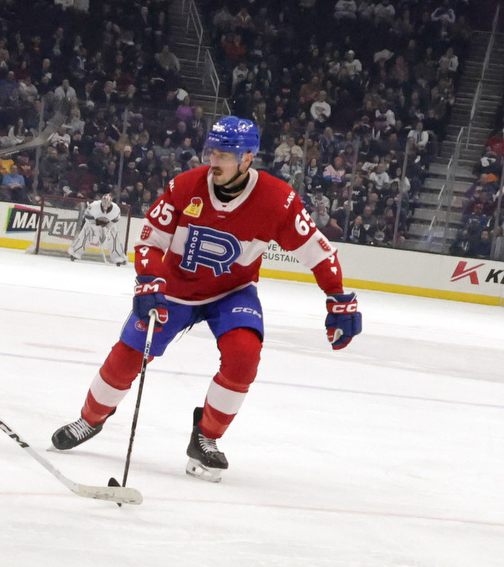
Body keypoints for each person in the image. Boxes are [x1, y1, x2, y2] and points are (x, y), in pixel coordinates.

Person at [50, 115, 361, 482]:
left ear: (247, 159)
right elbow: (150, 240)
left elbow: (317, 251)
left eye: (224, 155)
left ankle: (206, 437)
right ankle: (91, 418)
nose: (214, 161)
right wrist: (149, 280)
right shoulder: (186, 186)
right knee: (127, 356)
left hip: (232, 292)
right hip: (174, 290)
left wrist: (338, 297)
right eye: (212, 152)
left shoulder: (277, 200)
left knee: (244, 355)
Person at [71, 191, 129, 264]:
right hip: (92, 223)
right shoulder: (93, 205)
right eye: (104, 203)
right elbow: (87, 218)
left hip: (108, 223)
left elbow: (114, 221)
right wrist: (95, 227)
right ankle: (75, 253)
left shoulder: (116, 209)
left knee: (114, 236)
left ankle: (119, 257)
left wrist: (107, 229)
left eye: (107, 203)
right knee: (86, 233)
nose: (105, 206)